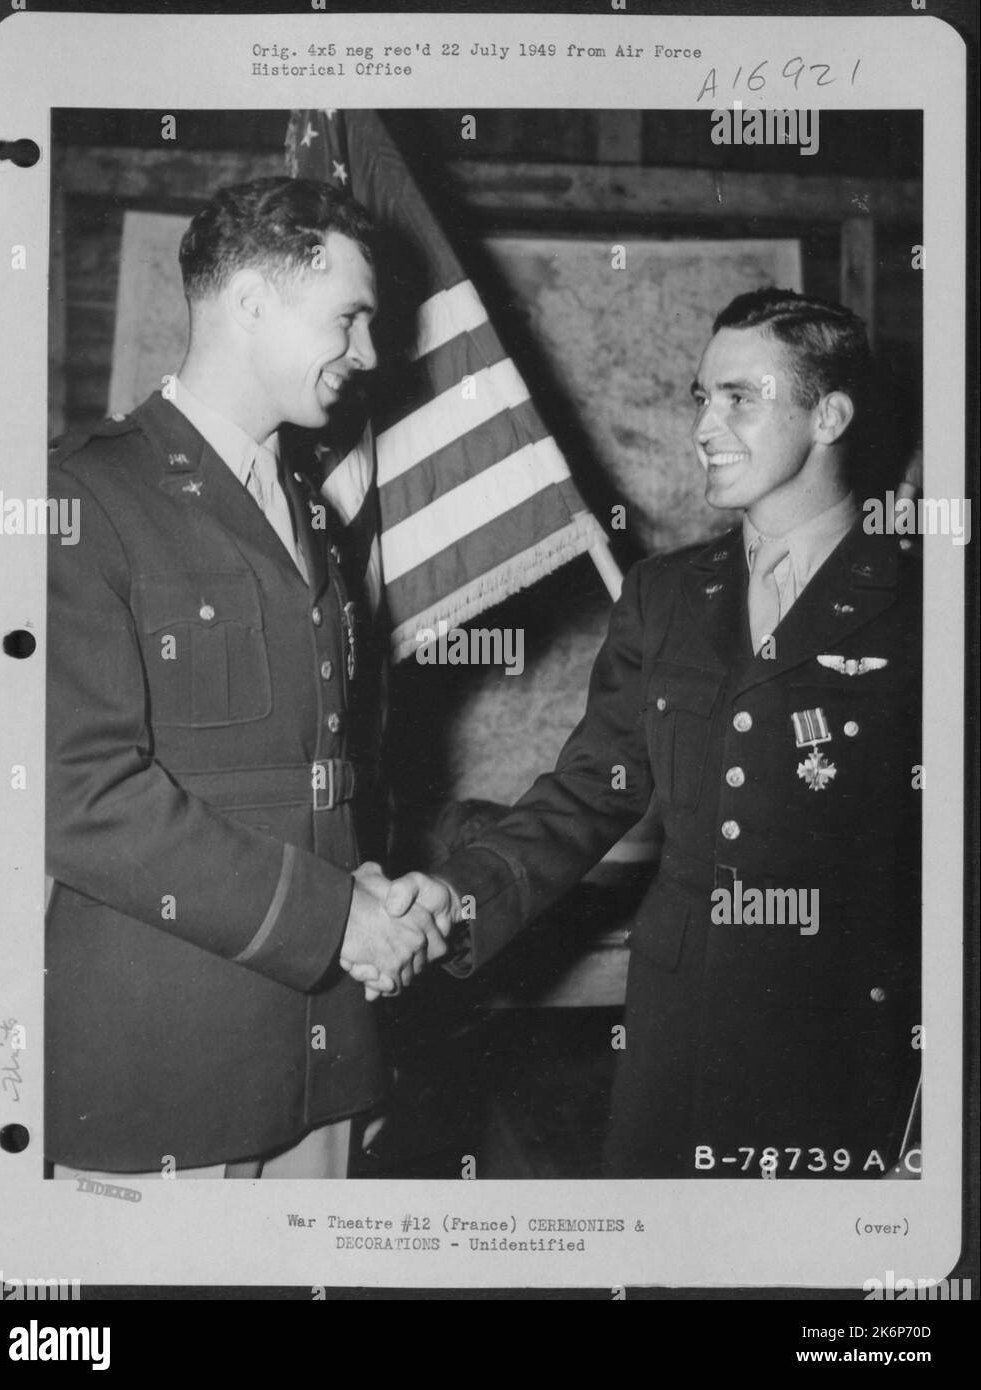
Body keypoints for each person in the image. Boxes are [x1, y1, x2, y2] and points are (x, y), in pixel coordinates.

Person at [384, 288, 922, 1179]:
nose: (707, 425)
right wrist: (458, 897)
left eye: (740, 398)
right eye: (700, 398)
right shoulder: (666, 595)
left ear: (828, 415)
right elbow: (593, 789)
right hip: (682, 1037)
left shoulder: (927, 604)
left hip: (848, 1038)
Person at [45, 177, 452, 1180]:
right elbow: (79, 795)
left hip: (325, 1062)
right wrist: (331, 921)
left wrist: (364, 894)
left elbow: (317, 762)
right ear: (253, 303)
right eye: (349, 318)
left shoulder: (309, 508)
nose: (366, 354)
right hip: (169, 1068)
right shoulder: (84, 491)